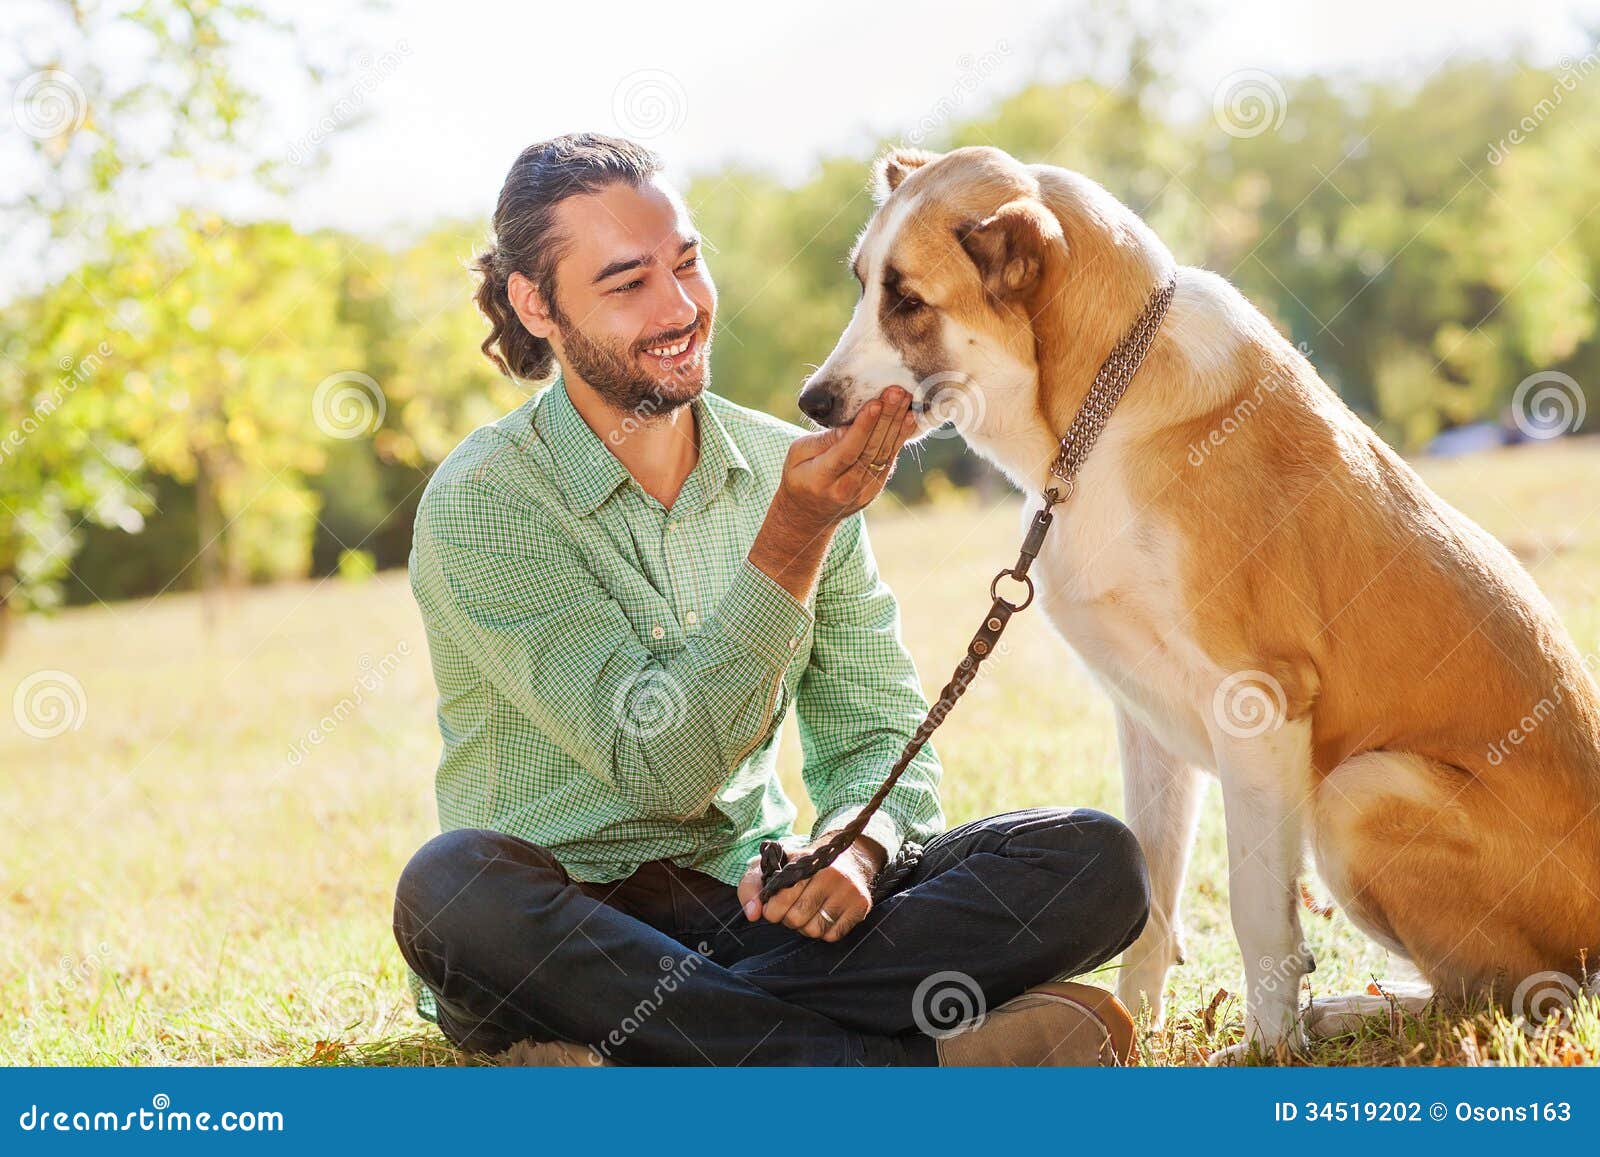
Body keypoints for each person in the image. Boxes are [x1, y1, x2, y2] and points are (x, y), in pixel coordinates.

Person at [393, 132, 1150, 1066]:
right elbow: (659, 769)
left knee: (1092, 862)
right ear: (534, 304)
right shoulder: (488, 499)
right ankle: (889, 1069)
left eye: (687, 263)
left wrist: (852, 846)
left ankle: (660, 1054)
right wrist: (790, 537)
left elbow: (876, 730)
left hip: (752, 916)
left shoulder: (782, 464)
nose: (680, 308)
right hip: (569, 932)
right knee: (452, 890)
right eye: (628, 284)